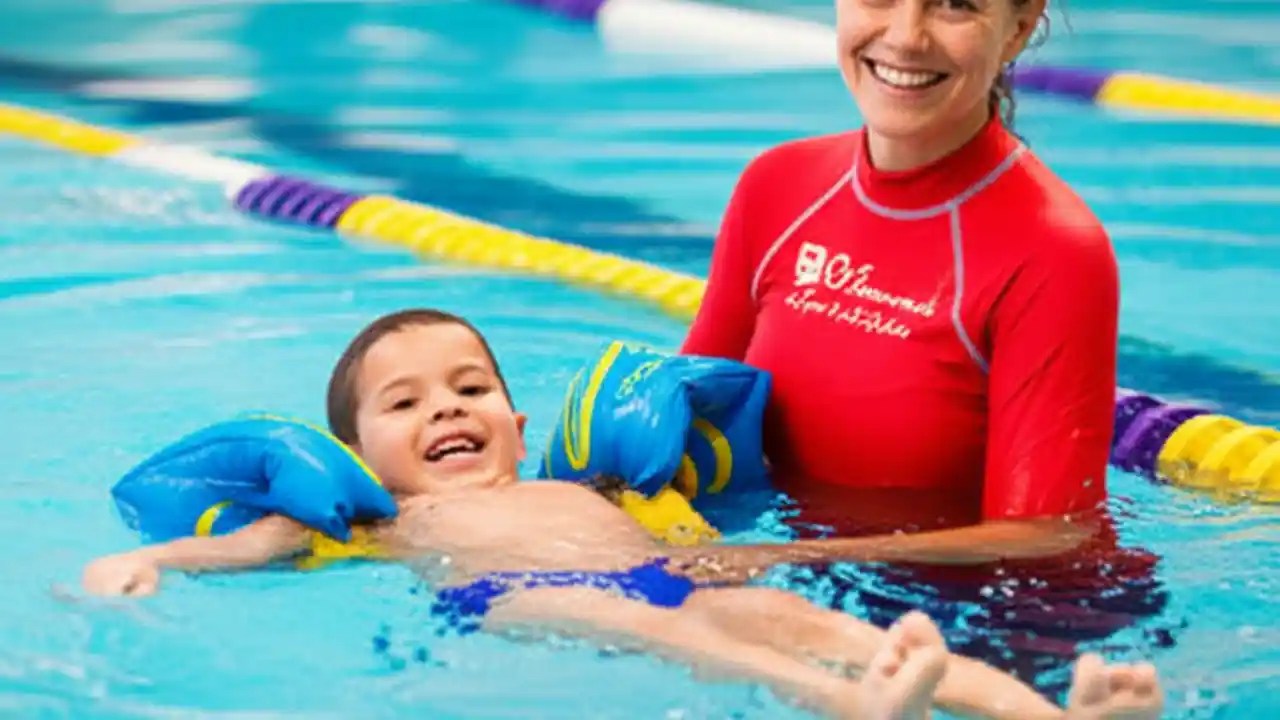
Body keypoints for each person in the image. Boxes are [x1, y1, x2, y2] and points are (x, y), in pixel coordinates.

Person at [83, 309, 1164, 720]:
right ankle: (845, 711)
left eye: (468, 389)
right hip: (515, 601)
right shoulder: (371, 523)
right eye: (405, 405)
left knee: (837, 628)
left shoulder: (588, 485)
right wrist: (148, 568)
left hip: (661, 571)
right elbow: (248, 544)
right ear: (362, 459)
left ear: (515, 419)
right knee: (672, 635)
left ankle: (1056, 718)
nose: (445, 409)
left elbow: (701, 542)